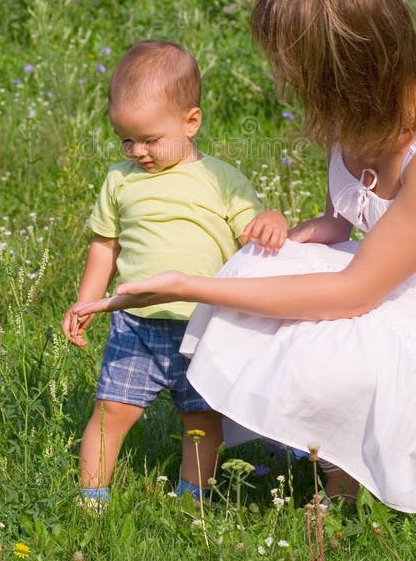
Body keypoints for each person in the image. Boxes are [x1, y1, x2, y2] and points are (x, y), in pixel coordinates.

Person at [80, 0, 416, 514]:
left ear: (342, 65)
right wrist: (296, 238)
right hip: (399, 271)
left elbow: (352, 293)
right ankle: (326, 454)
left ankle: (345, 487)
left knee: (314, 339)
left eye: (290, 61)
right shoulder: (360, 111)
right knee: (260, 270)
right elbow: (354, 217)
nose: (280, 76)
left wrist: (190, 285)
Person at [62, 40, 287, 508]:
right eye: (126, 140)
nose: (138, 151)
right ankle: (89, 499)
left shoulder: (221, 179)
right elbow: (105, 246)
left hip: (204, 323)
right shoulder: (120, 180)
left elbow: (253, 231)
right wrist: (86, 302)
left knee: (203, 420)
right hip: (135, 324)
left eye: (149, 139)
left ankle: (193, 501)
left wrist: (274, 221)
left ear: (191, 122)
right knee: (111, 411)